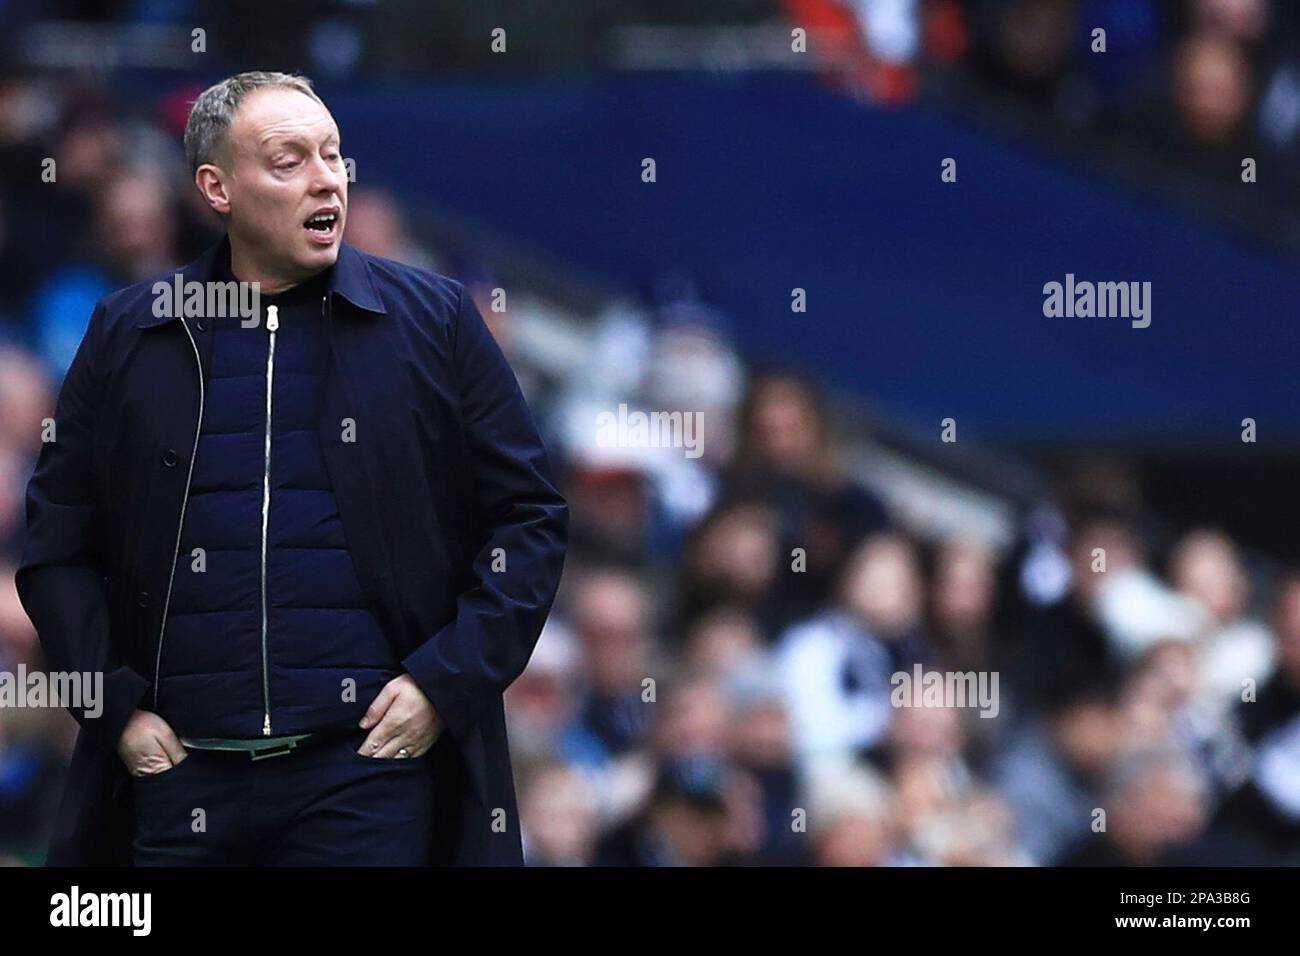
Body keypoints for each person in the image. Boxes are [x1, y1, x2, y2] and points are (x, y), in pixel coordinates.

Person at [16, 71, 568, 866]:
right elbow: (59, 547)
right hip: (178, 780)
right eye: (288, 160)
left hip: (370, 777)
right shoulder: (129, 332)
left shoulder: (436, 322)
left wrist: (443, 685)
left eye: (334, 156)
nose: (325, 179)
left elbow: (530, 519)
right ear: (216, 188)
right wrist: (116, 713)